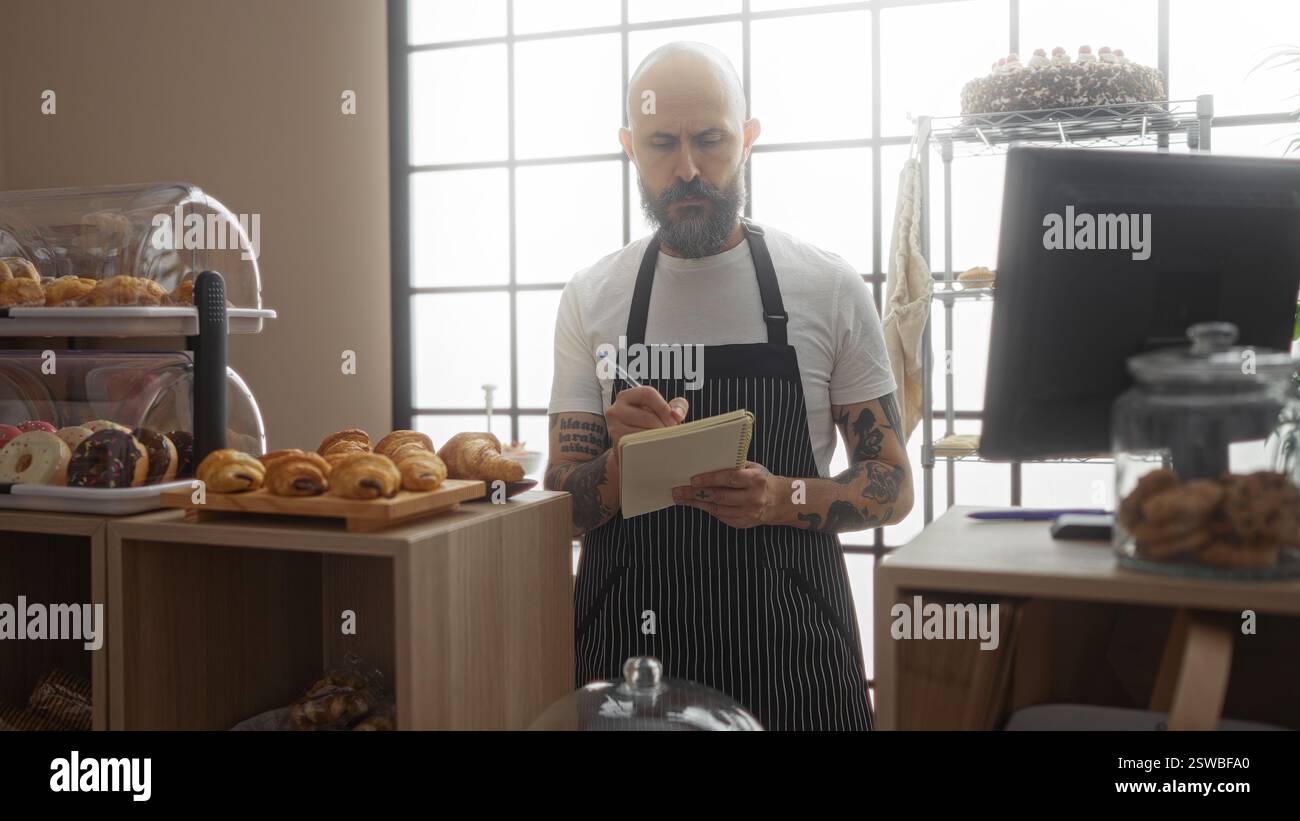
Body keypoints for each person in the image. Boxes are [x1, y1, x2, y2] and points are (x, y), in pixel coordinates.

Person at [544, 42, 912, 731]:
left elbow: (892, 485)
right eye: (662, 144)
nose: (687, 169)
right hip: (630, 667)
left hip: (794, 657)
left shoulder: (826, 286)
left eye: (709, 140)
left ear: (746, 140)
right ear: (630, 148)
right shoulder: (592, 297)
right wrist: (620, 469)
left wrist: (783, 496)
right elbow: (560, 505)